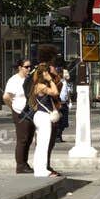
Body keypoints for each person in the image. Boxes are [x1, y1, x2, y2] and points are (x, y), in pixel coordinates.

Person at [30, 47, 64, 178]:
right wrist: (50, 79)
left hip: (40, 115)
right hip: (43, 116)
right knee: (43, 144)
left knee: (41, 144)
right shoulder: (42, 86)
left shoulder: (36, 85)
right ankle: (41, 170)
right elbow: (55, 92)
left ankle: (40, 169)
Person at [1, 56, 34, 175]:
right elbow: (6, 97)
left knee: (29, 138)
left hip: (30, 111)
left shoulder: (30, 79)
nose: (29, 69)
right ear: (20, 67)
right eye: (26, 67)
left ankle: (25, 163)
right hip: (20, 112)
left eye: (30, 66)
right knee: (22, 139)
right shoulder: (14, 80)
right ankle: (20, 165)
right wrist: (13, 108)